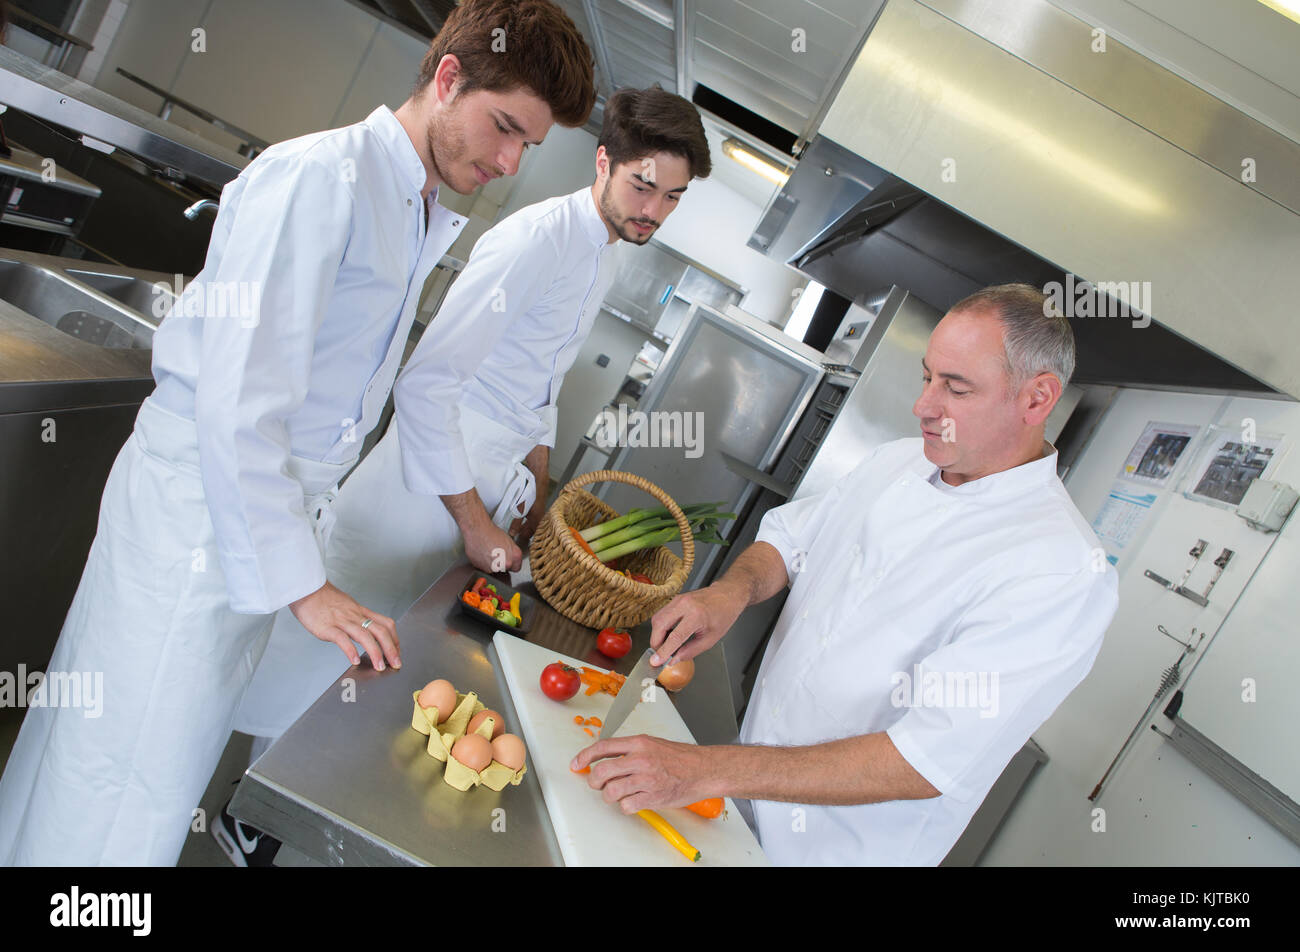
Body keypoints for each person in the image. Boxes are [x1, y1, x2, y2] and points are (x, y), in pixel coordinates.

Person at [0, 0, 595, 867]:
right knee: (121, 772)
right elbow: (240, 400)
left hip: (250, 517)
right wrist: (304, 587)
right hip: (199, 516)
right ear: (448, 77)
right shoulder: (324, 179)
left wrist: (297, 568)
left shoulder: (408, 203)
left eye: (528, 148)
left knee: (131, 759)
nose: (508, 162)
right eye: (504, 129)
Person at [228, 90, 711, 861]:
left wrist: (538, 481)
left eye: (673, 197)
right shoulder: (536, 239)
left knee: (394, 663)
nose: (654, 208)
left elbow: (541, 383)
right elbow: (427, 383)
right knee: (321, 667)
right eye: (643, 185)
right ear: (604, 162)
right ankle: (251, 809)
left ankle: (310, 808)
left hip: (483, 484)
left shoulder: (602, 250)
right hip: (421, 489)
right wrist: (477, 521)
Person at [572, 283, 1121, 866]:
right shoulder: (900, 461)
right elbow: (789, 540)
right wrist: (730, 593)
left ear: (1037, 400)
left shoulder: (1059, 570)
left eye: (956, 388)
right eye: (927, 377)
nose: (924, 406)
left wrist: (700, 769)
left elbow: (921, 759)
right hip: (736, 805)